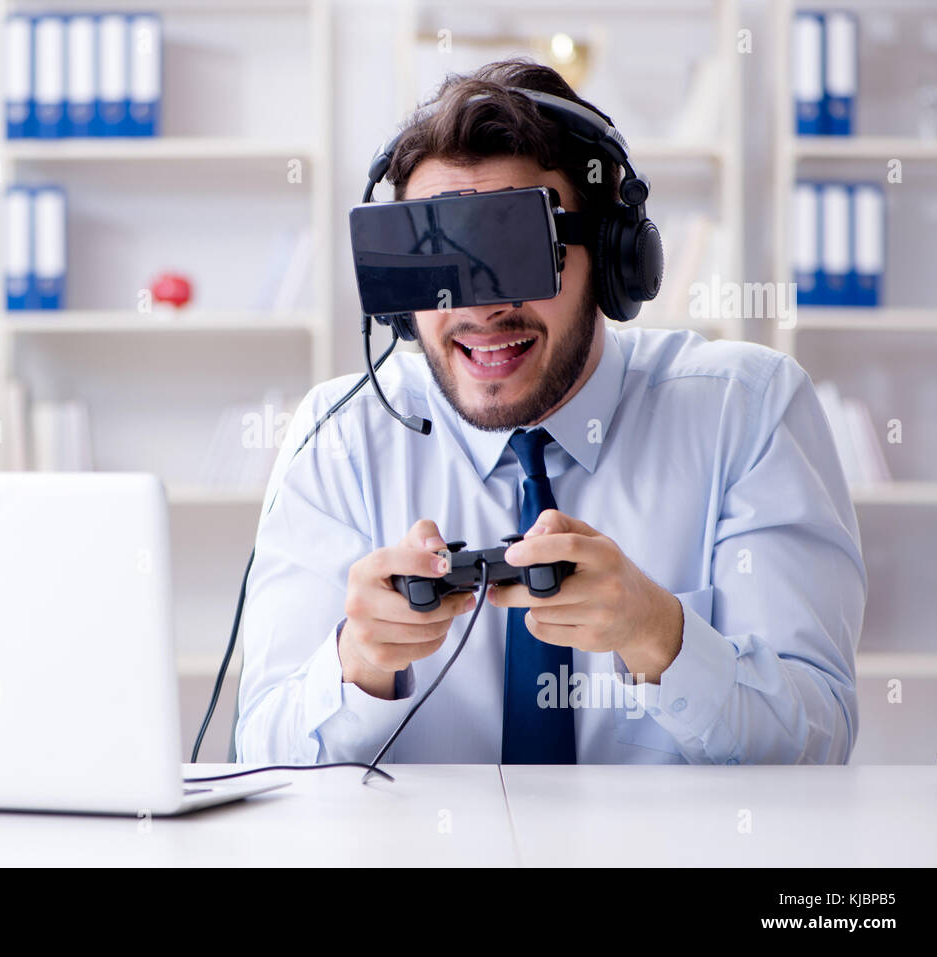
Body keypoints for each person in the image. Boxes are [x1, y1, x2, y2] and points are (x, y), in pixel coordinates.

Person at [234, 58, 865, 766]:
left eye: (516, 249)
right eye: (441, 267)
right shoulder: (341, 438)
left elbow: (818, 741)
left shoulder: (747, 413)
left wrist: (664, 634)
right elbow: (259, 751)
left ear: (613, 256)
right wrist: (357, 665)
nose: (480, 310)